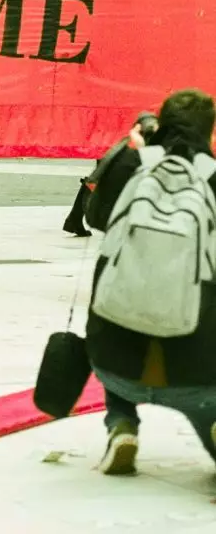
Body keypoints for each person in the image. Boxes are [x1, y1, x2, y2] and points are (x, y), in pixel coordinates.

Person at [85, 89, 216, 475]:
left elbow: (95, 217)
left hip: (115, 364)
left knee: (111, 305)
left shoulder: (134, 161)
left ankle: (122, 424)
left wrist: (134, 153)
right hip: (197, 374)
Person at [63, 112, 159, 238]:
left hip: (108, 125)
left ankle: (75, 218)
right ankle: (77, 218)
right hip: (113, 126)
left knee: (102, 173)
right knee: (104, 175)